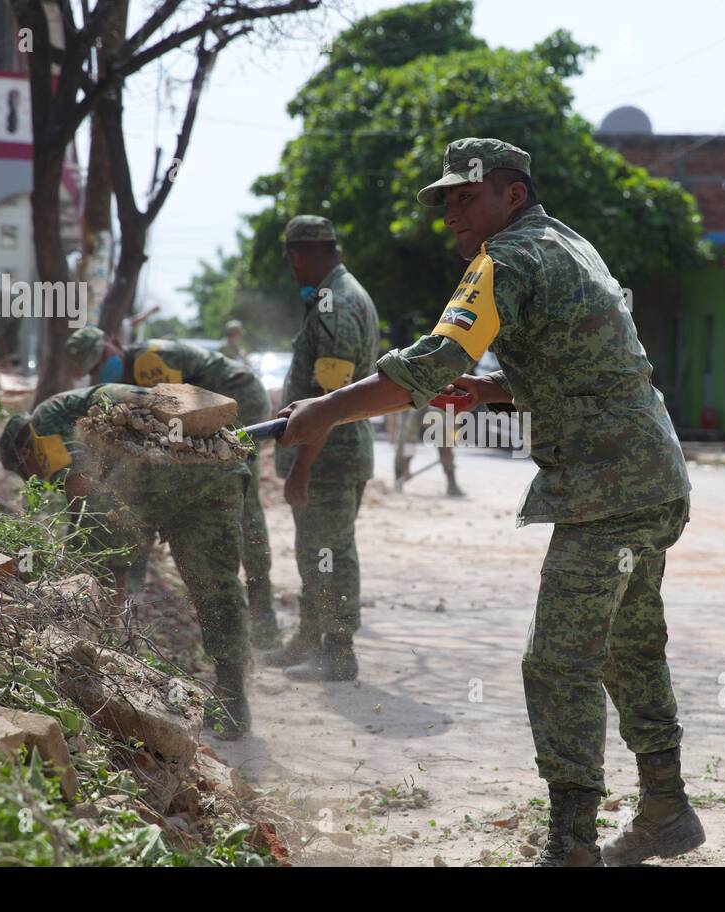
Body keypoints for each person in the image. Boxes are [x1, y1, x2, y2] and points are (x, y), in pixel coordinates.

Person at [275, 139, 701, 866]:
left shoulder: (504, 260)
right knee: (630, 648)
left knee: (558, 661)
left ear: (511, 193)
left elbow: (431, 362)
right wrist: (491, 389)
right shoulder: (567, 245)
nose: (451, 216)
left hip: (606, 491)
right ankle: (665, 808)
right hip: (652, 479)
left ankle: (571, 843)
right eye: (445, 203)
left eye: (464, 198)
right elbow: (580, 351)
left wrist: (324, 411)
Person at [0, 384, 252, 735]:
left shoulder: (45, 421)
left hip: (159, 477)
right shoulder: (86, 403)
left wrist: (86, 557)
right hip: (217, 468)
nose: (36, 479)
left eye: (27, 472)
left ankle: (97, 670)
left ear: (24, 451)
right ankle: (233, 701)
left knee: (95, 560)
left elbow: (81, 490)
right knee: (216, 586)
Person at [64, 327, 280, 647]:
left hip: (237, 400)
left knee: (236, 491)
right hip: (208, 409)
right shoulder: (127, 382)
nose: (101, 371)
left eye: (102, 360)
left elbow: (176, 415)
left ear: (115, 343)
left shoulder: (150, 360)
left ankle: (264, 625)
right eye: (93, 370)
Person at [260, 215, 379, 682]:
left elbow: (332, 400)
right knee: (317, 549)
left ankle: (337, 651)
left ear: (297, 256)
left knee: (329, 550)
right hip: (338, 453)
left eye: (291, 263)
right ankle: (311, 639)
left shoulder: (334, 304)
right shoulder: (343, 292)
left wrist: (302, 467)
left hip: (330, 458)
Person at [394, 404, 463, 496]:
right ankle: (399, 479)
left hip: (443, 411)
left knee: (446, 450)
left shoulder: (449, 415)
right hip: (415, 401)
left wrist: (447, 454)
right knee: (403, 444)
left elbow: (449, 439)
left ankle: (452, 485)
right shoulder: (416, 414)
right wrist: (406, 468)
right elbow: (409, 440)